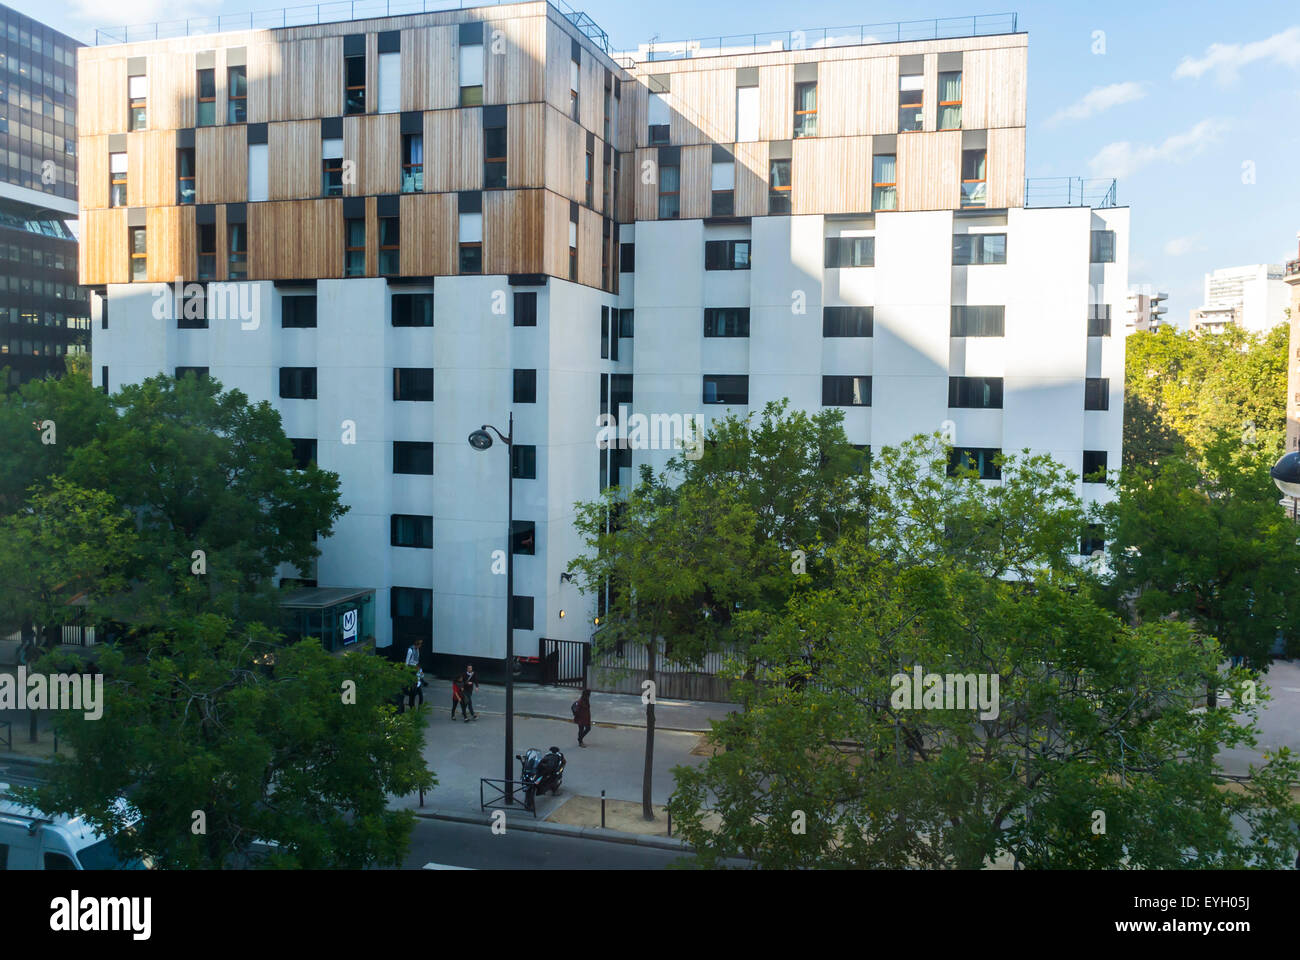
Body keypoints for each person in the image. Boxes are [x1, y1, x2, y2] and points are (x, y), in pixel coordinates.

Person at [403, 638, 424, 712]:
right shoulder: (410, 650)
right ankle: (411, 706)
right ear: (417, 644)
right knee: (412, 691)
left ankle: (420, 709)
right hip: (411, 668)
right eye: (420, 644)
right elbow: (407, 661)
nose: (420, 646)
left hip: (416, 667)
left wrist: (419, 670)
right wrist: (406, 671)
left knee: (420, 695)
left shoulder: (417, 650)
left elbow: (417, 660)